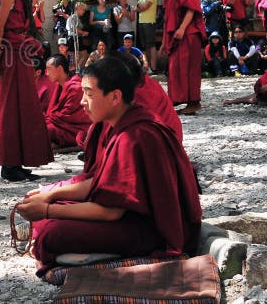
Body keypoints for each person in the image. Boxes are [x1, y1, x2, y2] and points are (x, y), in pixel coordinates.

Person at [16, 55, 202, 276]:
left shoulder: (136, 135)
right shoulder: (118, 124)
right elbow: (100, 183)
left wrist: (47, 209)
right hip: (127, 214)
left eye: (89, 94)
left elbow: (111, 211)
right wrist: (51, 196)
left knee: (51, 234)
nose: (82, 101)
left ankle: (96, 255)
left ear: (115, 97)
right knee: (49, 215)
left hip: (153, 229)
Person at [0, 0, 53, 181]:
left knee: (18, 107)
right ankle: (9, 165)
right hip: (12, 55)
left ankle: (15, 163)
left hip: (15, 53)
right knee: (11, 109)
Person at [161, 0, 206, 115]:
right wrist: (163, 43)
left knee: (189, 69)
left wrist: (182, 28)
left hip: (188, 34)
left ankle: (193, 102)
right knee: (175, 69)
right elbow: (168, 19)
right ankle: (179, 99)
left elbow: (191, 8)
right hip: (178, 36)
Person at [44, 54, 90, 149]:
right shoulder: (59, 86)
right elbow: (53, 113)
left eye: (48, 69)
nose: (46, 73)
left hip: (74, 130)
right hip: (61, 127)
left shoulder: (75, 88)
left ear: (60, 69)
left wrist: (45, 120)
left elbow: (67, 117)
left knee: (41, 130)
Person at [135, 0, 158, 72]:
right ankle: (148, 67)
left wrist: (139, 7)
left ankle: (154, 68)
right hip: (141, 21)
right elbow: (137, 8)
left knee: (151, 46)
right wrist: (140, 7)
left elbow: (144, 7)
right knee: (144, 46)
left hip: (149, 22)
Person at [66, 2, 90, 71]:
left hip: (76, 38)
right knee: (83, 55)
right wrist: (83, 32)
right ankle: (76, 69)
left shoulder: (76, 17)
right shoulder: (74, 17)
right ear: (78, 9)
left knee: (79, 56)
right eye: (83, 9)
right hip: (74, 38)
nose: (84, 11)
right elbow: (73, 28)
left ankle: (77, 69)